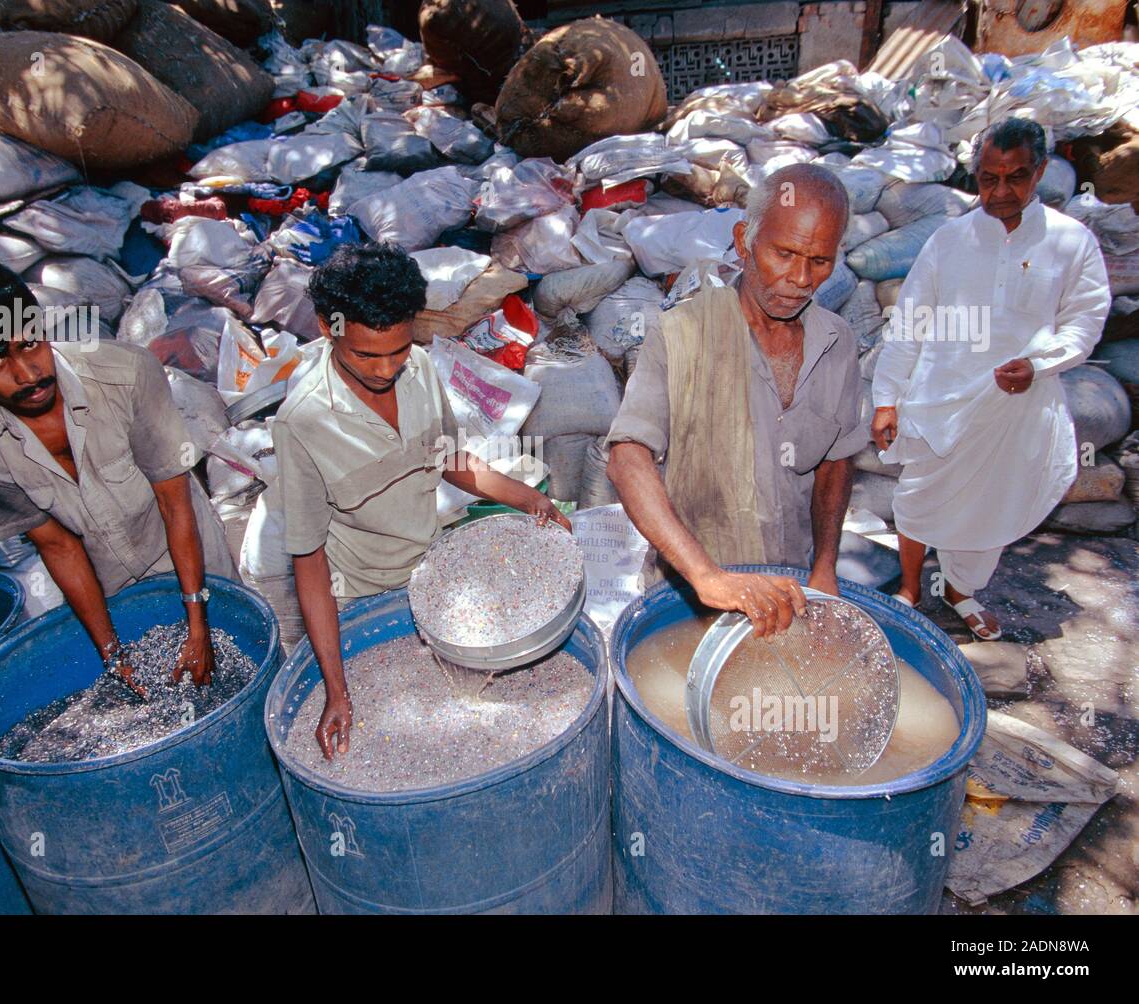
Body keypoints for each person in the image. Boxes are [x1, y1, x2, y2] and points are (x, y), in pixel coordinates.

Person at [272, 242, 568, 760]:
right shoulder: (304, 422)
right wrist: (337, 691)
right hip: (359, 595)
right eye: (366, 354)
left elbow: (450, 458)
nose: (386, 369)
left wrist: (528, 500)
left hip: (433, 572)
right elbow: (309, 561)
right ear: (327, 327)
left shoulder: (423, 370)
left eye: (399, 350)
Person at [0, 257, 236, 693]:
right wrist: (112, 653)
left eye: (30, 343)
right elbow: (57, 545)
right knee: (145, 689)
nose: (28, 373)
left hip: (189, 551)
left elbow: (174, 501)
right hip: (106, 581)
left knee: (233, 660)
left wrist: (198, 624)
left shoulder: (126, 374)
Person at [870, 118, 1110, 640]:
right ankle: (911, 587)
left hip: (1015, 406)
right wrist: (887, 398)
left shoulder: (1072, 242)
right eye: (988, 179)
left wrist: (1040, 364)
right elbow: (909, 323)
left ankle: (960, 591)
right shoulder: (948, 240)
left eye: (1016, 177)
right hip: (942, 395)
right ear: (975, 174)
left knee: (992, 502)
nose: (1001, 192)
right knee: (920, 493)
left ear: (1040, 172)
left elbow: (1086, 320)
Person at [606, 163, 867, 635]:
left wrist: (824, 565)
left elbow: (837, 460)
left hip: (790, 587)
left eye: (820, 261)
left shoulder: (838, 342)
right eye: (784, 253)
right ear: (745, 239)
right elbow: (628, 458)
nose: (800, 278)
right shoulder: (682, 333)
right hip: (689, 593)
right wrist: (706, 576)